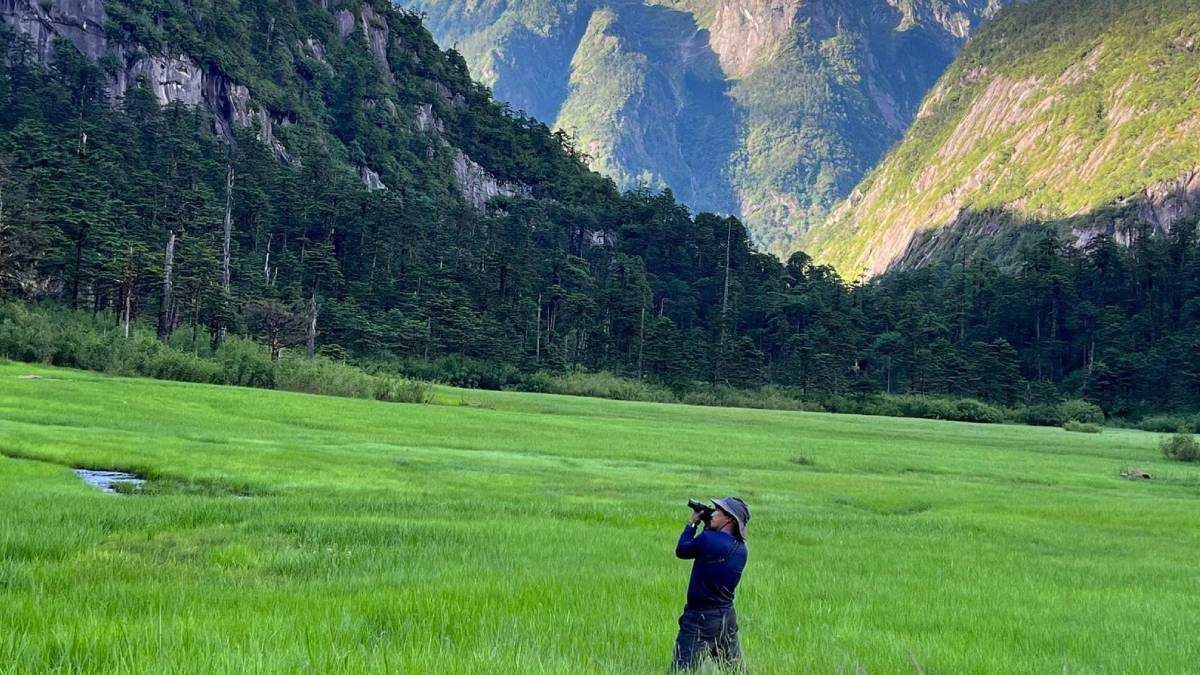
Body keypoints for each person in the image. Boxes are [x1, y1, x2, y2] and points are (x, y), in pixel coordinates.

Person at [672, 496, 750, 672]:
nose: (712, 513)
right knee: (734, 670)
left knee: (681, 670)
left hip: (700, 618)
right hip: (726, 617)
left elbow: (682, 549)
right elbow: (714, 551)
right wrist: (709, 526)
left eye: (717, 511)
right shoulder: (742, 550)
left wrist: (693, 523)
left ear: (729, 519)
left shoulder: (708, 539)